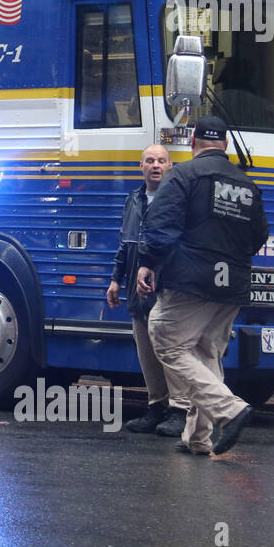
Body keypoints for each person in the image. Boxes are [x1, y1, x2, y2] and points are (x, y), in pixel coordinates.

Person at [138, 116, 269, 455]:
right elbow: (259, 236)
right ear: (225, 145)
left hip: (191, 281)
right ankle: (198, 438)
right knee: (206, 352)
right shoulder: (246, 184)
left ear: (192, 142)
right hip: (233, 283)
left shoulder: (183, 175)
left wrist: (149, 262)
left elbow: (161, 225)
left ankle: (230, 409)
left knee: (165, 339)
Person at [106, 144, 189, 436]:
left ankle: (180, 410)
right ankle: (157, 406)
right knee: (146, 352)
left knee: (170, 349)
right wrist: (116, 280)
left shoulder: (178, 200)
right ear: (140, 166)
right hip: (135, 291)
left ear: (171, 166)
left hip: (167, 290)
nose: (156, 165)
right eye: (150, 161)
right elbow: (124, 244)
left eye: (161, 161)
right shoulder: (133, 200)